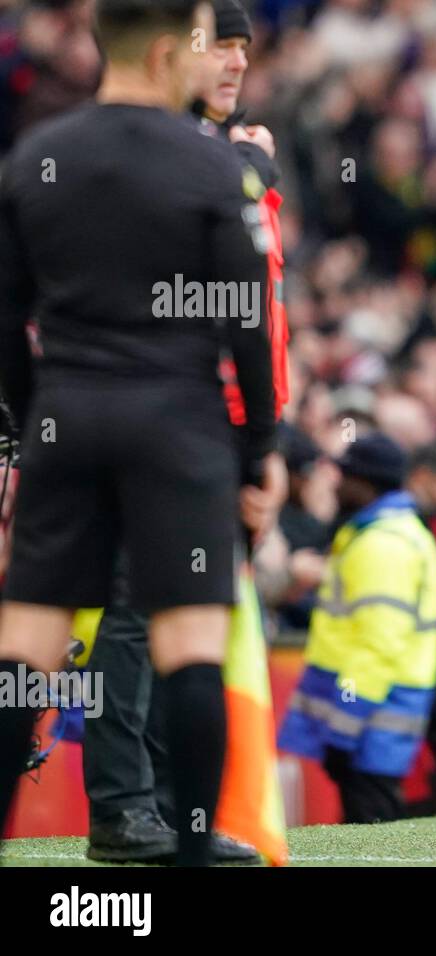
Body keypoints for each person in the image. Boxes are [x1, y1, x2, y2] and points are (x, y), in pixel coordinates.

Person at [0, 0, 277, 867]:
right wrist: (258, 452)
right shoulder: (210, 167)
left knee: (28, 652)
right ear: (166, 52)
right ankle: (188, 850)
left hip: (66, 417)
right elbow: (249, 327)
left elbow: (5, 317)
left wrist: (38, 407)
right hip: (179, 424)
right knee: (189, 644)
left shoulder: (35, 157)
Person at [278, 433, 436, 824]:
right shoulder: (383, 534)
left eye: (344, 475)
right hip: (376, 712)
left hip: (372, 715)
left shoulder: (383, 544)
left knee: (371, 824)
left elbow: (378, 645)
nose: (336, 482)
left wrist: (343, 726)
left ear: (365, 483)